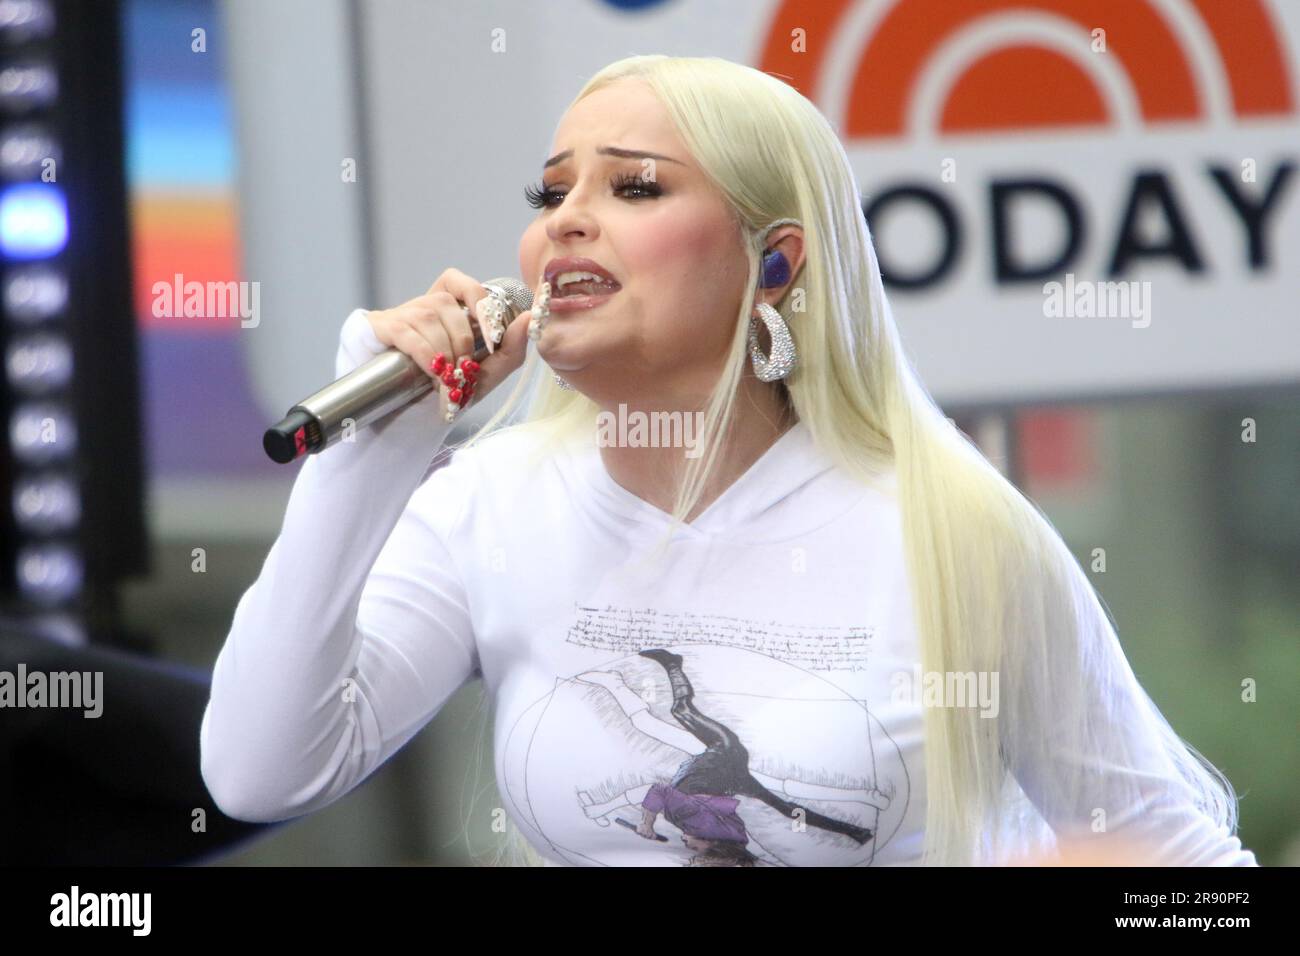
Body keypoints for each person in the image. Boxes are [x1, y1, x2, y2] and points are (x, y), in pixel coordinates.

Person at [200, 54, 1257, 867]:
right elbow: (258, 772)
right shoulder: (490, 502)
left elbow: (1185, 870)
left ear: (777, 260)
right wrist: (368, 455)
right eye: (550, 194)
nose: (566, 221)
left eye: (636, 189)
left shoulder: (950, 525)